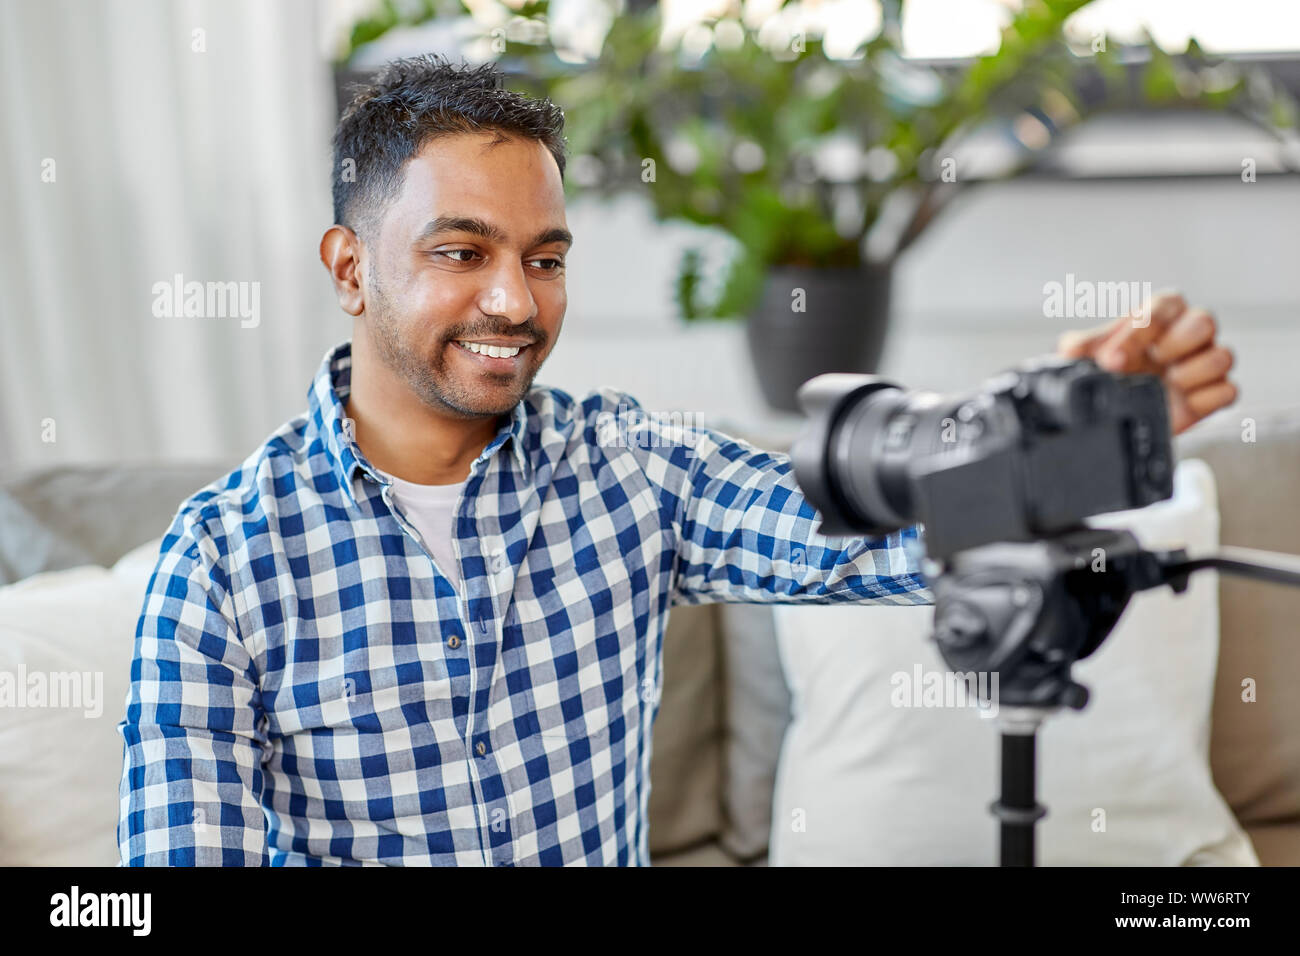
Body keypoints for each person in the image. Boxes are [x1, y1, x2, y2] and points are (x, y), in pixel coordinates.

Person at [117, 55, 1238, 866]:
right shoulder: (219, 565)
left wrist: (1061, 431)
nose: (514, 300)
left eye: (544, 257)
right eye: (461, 252)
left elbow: (875, 530)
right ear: (350, 266)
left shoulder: (632, 466)